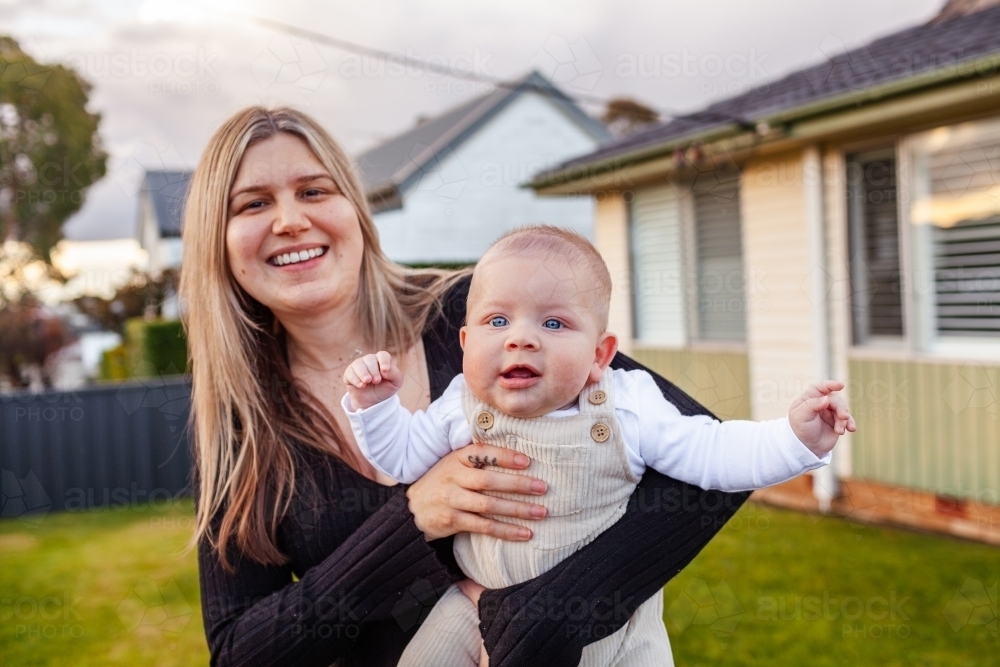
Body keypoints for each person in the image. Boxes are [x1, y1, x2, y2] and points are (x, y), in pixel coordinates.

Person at [182, 106, 766, 667]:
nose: (290, 220)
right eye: (254, 203)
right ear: (218, 238)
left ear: (355, 209)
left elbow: (707, 466)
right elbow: (238, 652)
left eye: (314, 191)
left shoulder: (480, 315)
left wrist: (545, 617)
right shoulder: (240, 422)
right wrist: (412, 521)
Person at [342, 226, 857, 667]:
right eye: (497, 321)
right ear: (465, 344)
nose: (520, 338)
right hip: (473, 605)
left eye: (553, 323)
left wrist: (796, 437)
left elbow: (713, 452)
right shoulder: (460, 406)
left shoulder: (626, 406)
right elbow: (404, 458)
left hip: (610, 627)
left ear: (599, 355)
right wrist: (376, 407)